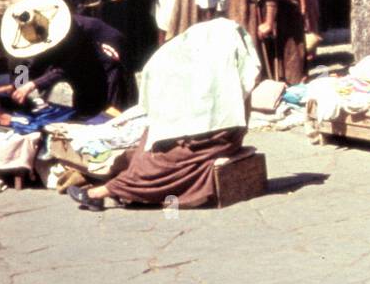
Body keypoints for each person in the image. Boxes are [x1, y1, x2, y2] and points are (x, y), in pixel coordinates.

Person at [67, 18, 260, 212]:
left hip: (216, 139)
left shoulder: (228, 81)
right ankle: (127, 190)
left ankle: (99, 194)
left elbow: (217, 125)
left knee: (162, 159)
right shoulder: (214, 76)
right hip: (204, 134)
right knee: (147, 143)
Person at [0, 0, 134, 118]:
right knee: (84, 105)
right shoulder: (34, 34)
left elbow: (66, 67)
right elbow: (31, 63)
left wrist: (33, 84)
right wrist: (18, 83)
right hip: (76, 60)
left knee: (109, 108)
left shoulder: (72, 29)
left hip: (104, 55)